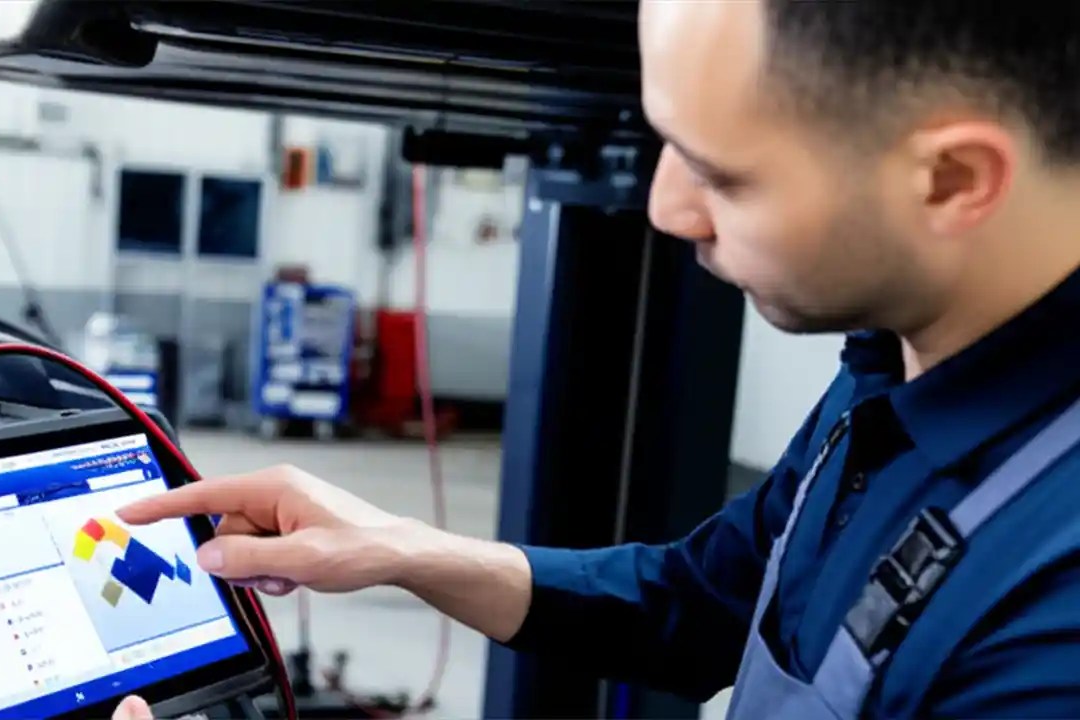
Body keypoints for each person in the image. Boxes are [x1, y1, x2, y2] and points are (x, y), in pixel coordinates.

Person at [114, 2, 1080, 718]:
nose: (665, 207)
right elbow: (709, 601)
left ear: (952, 181)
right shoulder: (897, 360)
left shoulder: (1053, 621)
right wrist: (404, 549)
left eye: (719, 172)